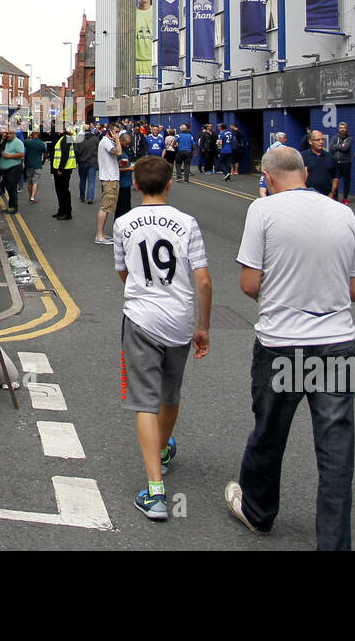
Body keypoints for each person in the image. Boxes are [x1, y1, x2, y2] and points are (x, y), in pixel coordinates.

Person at [226, 147, 355, 550]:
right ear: (305, 172)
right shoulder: (343, 213)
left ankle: (258, 511)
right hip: (337, 345)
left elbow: (249, 284)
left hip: (282, 345)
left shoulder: (263, 211)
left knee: (269, 433)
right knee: (336, 448)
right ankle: (334, 544)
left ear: (267, 178)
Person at [114, 156, 212, 521]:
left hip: (141, 317)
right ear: (170, 184)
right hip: (180, 319)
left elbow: (123, 272)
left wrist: (142, 290)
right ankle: (164, 451)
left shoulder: (124, 223)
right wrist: (203, 326)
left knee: (144, 400)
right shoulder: (188, 224)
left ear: (136, 185)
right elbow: (202, 279)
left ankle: (155, 493)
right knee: (170, 393)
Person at [95, 123, 123, 244]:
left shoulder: (107, 142)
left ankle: (101, 234)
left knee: (108, 206)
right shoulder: (106, 142)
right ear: (110, 131)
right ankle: (99, 236)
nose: (117, 134)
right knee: (105, 206)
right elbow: (118, 153)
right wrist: (117, 140)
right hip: (109, 178)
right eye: (116, 132)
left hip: (111, 177)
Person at [303, 130, 339, 198]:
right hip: (308, 196)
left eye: (322, 139)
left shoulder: (330, 157)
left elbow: (336, 177)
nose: (321, 142)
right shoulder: (302, 157)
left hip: (326, 196)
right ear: (310, 141)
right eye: (317, 140)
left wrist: (332, 192)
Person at [50, 129, 77, 220]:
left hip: (63, 170)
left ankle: (67, 213)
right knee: (60, 191)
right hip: (60, 169)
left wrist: (60, 169)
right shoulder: (61, 138)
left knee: (63, 191)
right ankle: (61, 211)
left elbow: (65, 155)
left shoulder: (66, 138)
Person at [0, 126, 25, 213]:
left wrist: (9, 156)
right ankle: (11, 206)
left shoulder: (18, 142)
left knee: (12, 188)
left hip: (15, 168)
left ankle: (13, 208)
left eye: (10, 133)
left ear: (14, 134)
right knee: (8, 188)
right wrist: (2, 139)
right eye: (7, 133)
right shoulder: (6, 141)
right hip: (6, 170)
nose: (8, 135)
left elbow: (21, 154)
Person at [115, 131, 138, 218]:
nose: (128, 146)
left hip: (127, 183)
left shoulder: (125, 151)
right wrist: (129, 168)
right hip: (121, 183)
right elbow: (115, 169)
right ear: (121, 141)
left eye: (129, 144)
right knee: (121, 208)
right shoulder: (118, 152)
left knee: (127, 206)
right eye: (126, 144)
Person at [76, 126, 100, 205]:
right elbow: (99, 149)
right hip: (92, 162)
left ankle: (82, 197)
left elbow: (75, 151)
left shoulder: (79, 139)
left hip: (82, 162)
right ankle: (90, 197)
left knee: (82, 180)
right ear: (90, 130)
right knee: (91, 181)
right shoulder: (95, 139)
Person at [331, 122, 353, 203]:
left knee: (346, 181)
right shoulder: (334, 138)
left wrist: (336, 146)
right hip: (336, 162)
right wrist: (340, 146)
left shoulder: (349, 138)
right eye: (341, 128)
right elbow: (331, 149)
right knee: (335, 180)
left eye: (344, 128)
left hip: (346, 162)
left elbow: (346, 148)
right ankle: (335, 197)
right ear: (339, 129)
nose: (342, 129)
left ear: (346, 129)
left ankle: (345, 198)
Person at [23, 131, 46, 203]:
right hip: (38, 164)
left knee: (30, 181)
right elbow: (45, 154)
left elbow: (24, 143)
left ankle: (30, 196)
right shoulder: (42, 143)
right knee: (36, 181)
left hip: (29, 164)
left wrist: (29, 137)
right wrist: (43, 161)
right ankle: (32, 198)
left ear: (32, 134)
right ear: (39, 134)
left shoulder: (27, 142)